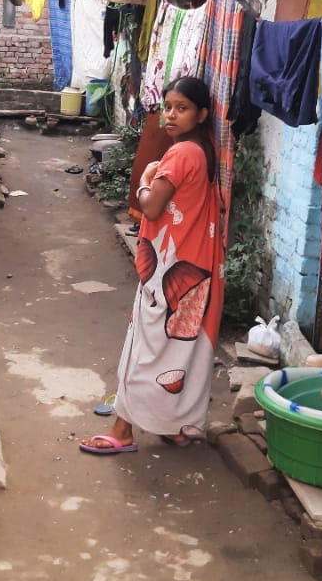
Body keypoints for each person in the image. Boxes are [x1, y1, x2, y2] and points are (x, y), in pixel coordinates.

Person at [80, 76, 224, 454]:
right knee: (177, 352)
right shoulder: (205, 150)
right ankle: (173, 425)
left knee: (147, 347)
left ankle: (122, 431)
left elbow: (152, 206)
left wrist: (145, 179)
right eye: (168, 107)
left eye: (183, 108)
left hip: (169, 268)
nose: (172, 116)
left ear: (202, 113)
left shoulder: (180, 154)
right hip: (194, 267)